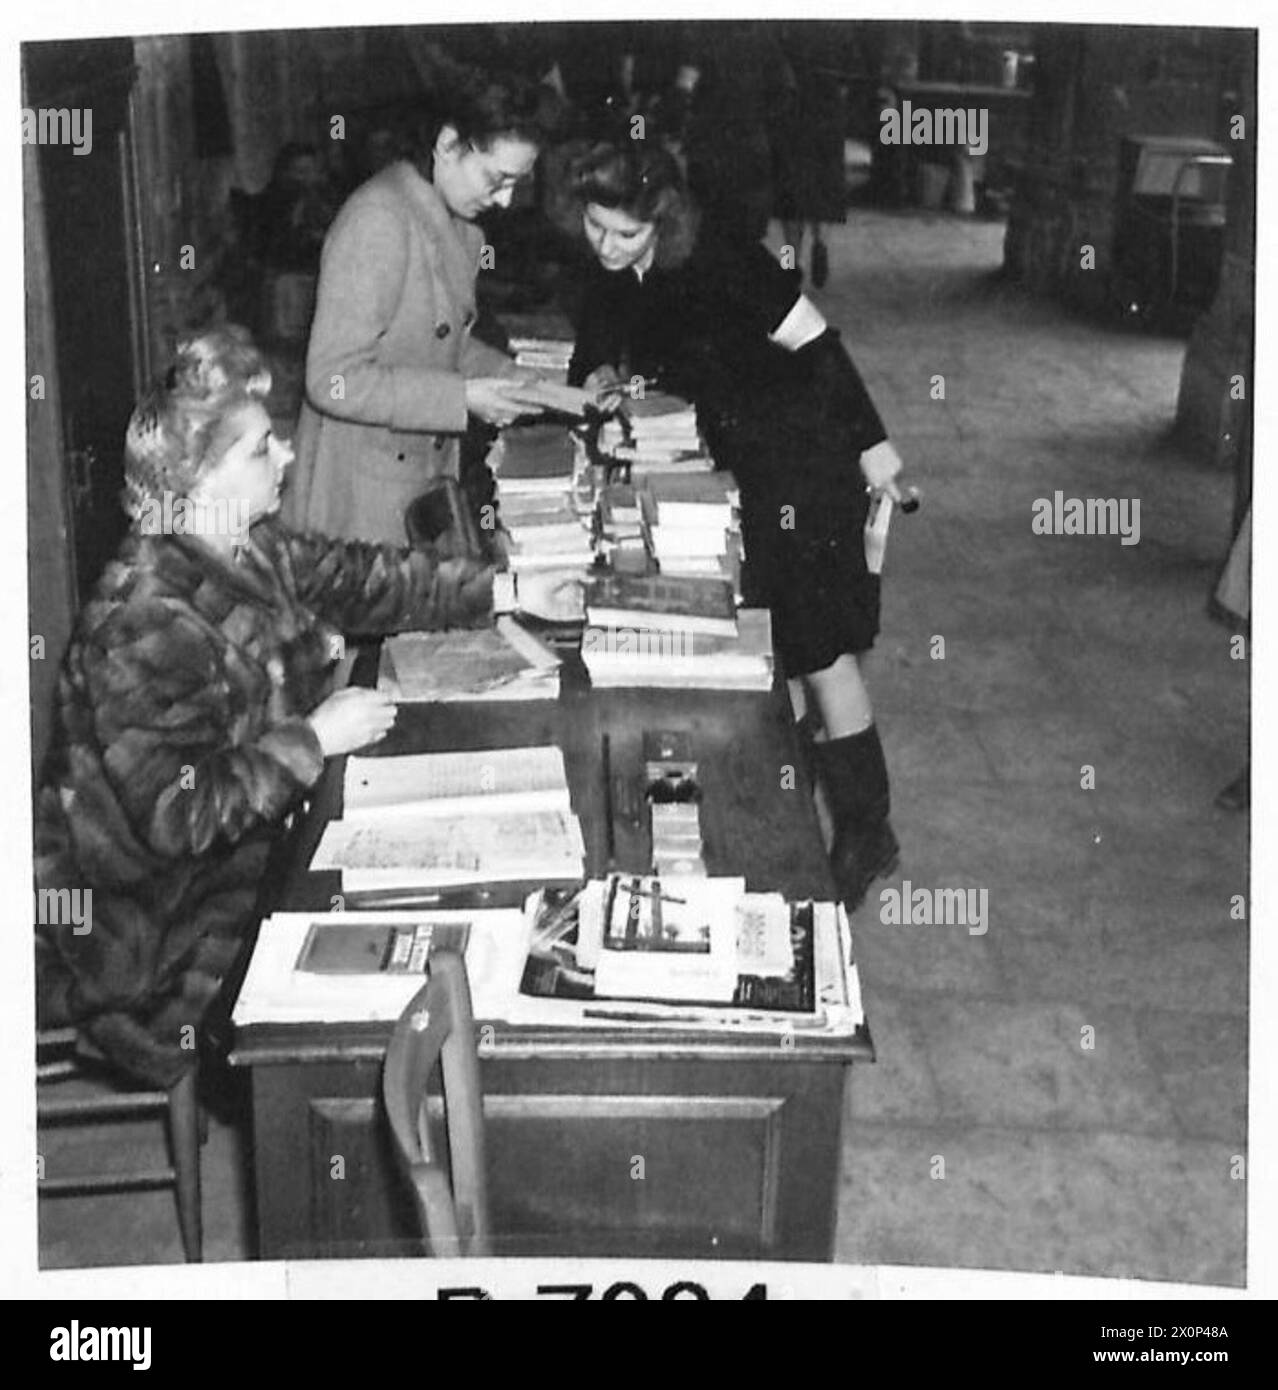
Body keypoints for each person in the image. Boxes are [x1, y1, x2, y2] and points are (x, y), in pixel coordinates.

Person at [33, 327, 500, 1088]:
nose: (285, 456)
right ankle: (331, 1130)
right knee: (354, 991)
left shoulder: (243, 542)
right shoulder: (141, 620)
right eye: (260, 450)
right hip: (147, 920)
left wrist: (500, 592)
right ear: (193, 483)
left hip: (232, 854)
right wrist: (311, 737)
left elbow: (361, 577)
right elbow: (180, 815)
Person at [567, 141, 907, 910]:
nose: (607, 247)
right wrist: (606, 385)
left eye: (626, 235)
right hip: (726, 467)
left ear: (664, 217)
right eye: (595, 228)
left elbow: (819, 344)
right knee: (757, 647)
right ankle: (776, 813)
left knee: (817, 649)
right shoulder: (612, 264)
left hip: (801, 460)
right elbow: (594, 346)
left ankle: (866, 828)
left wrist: (874, 445)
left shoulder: (726, 260)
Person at [283, 61, 558, 545]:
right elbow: (332, 381)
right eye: (497, 179)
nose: (507, 201)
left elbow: (437, 343)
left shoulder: (459, 225)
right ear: (448, 144)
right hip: (361, 496)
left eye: (517, 183)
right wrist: (462, 398)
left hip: (414, 476)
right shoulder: (379, 220)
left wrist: (504, 373)